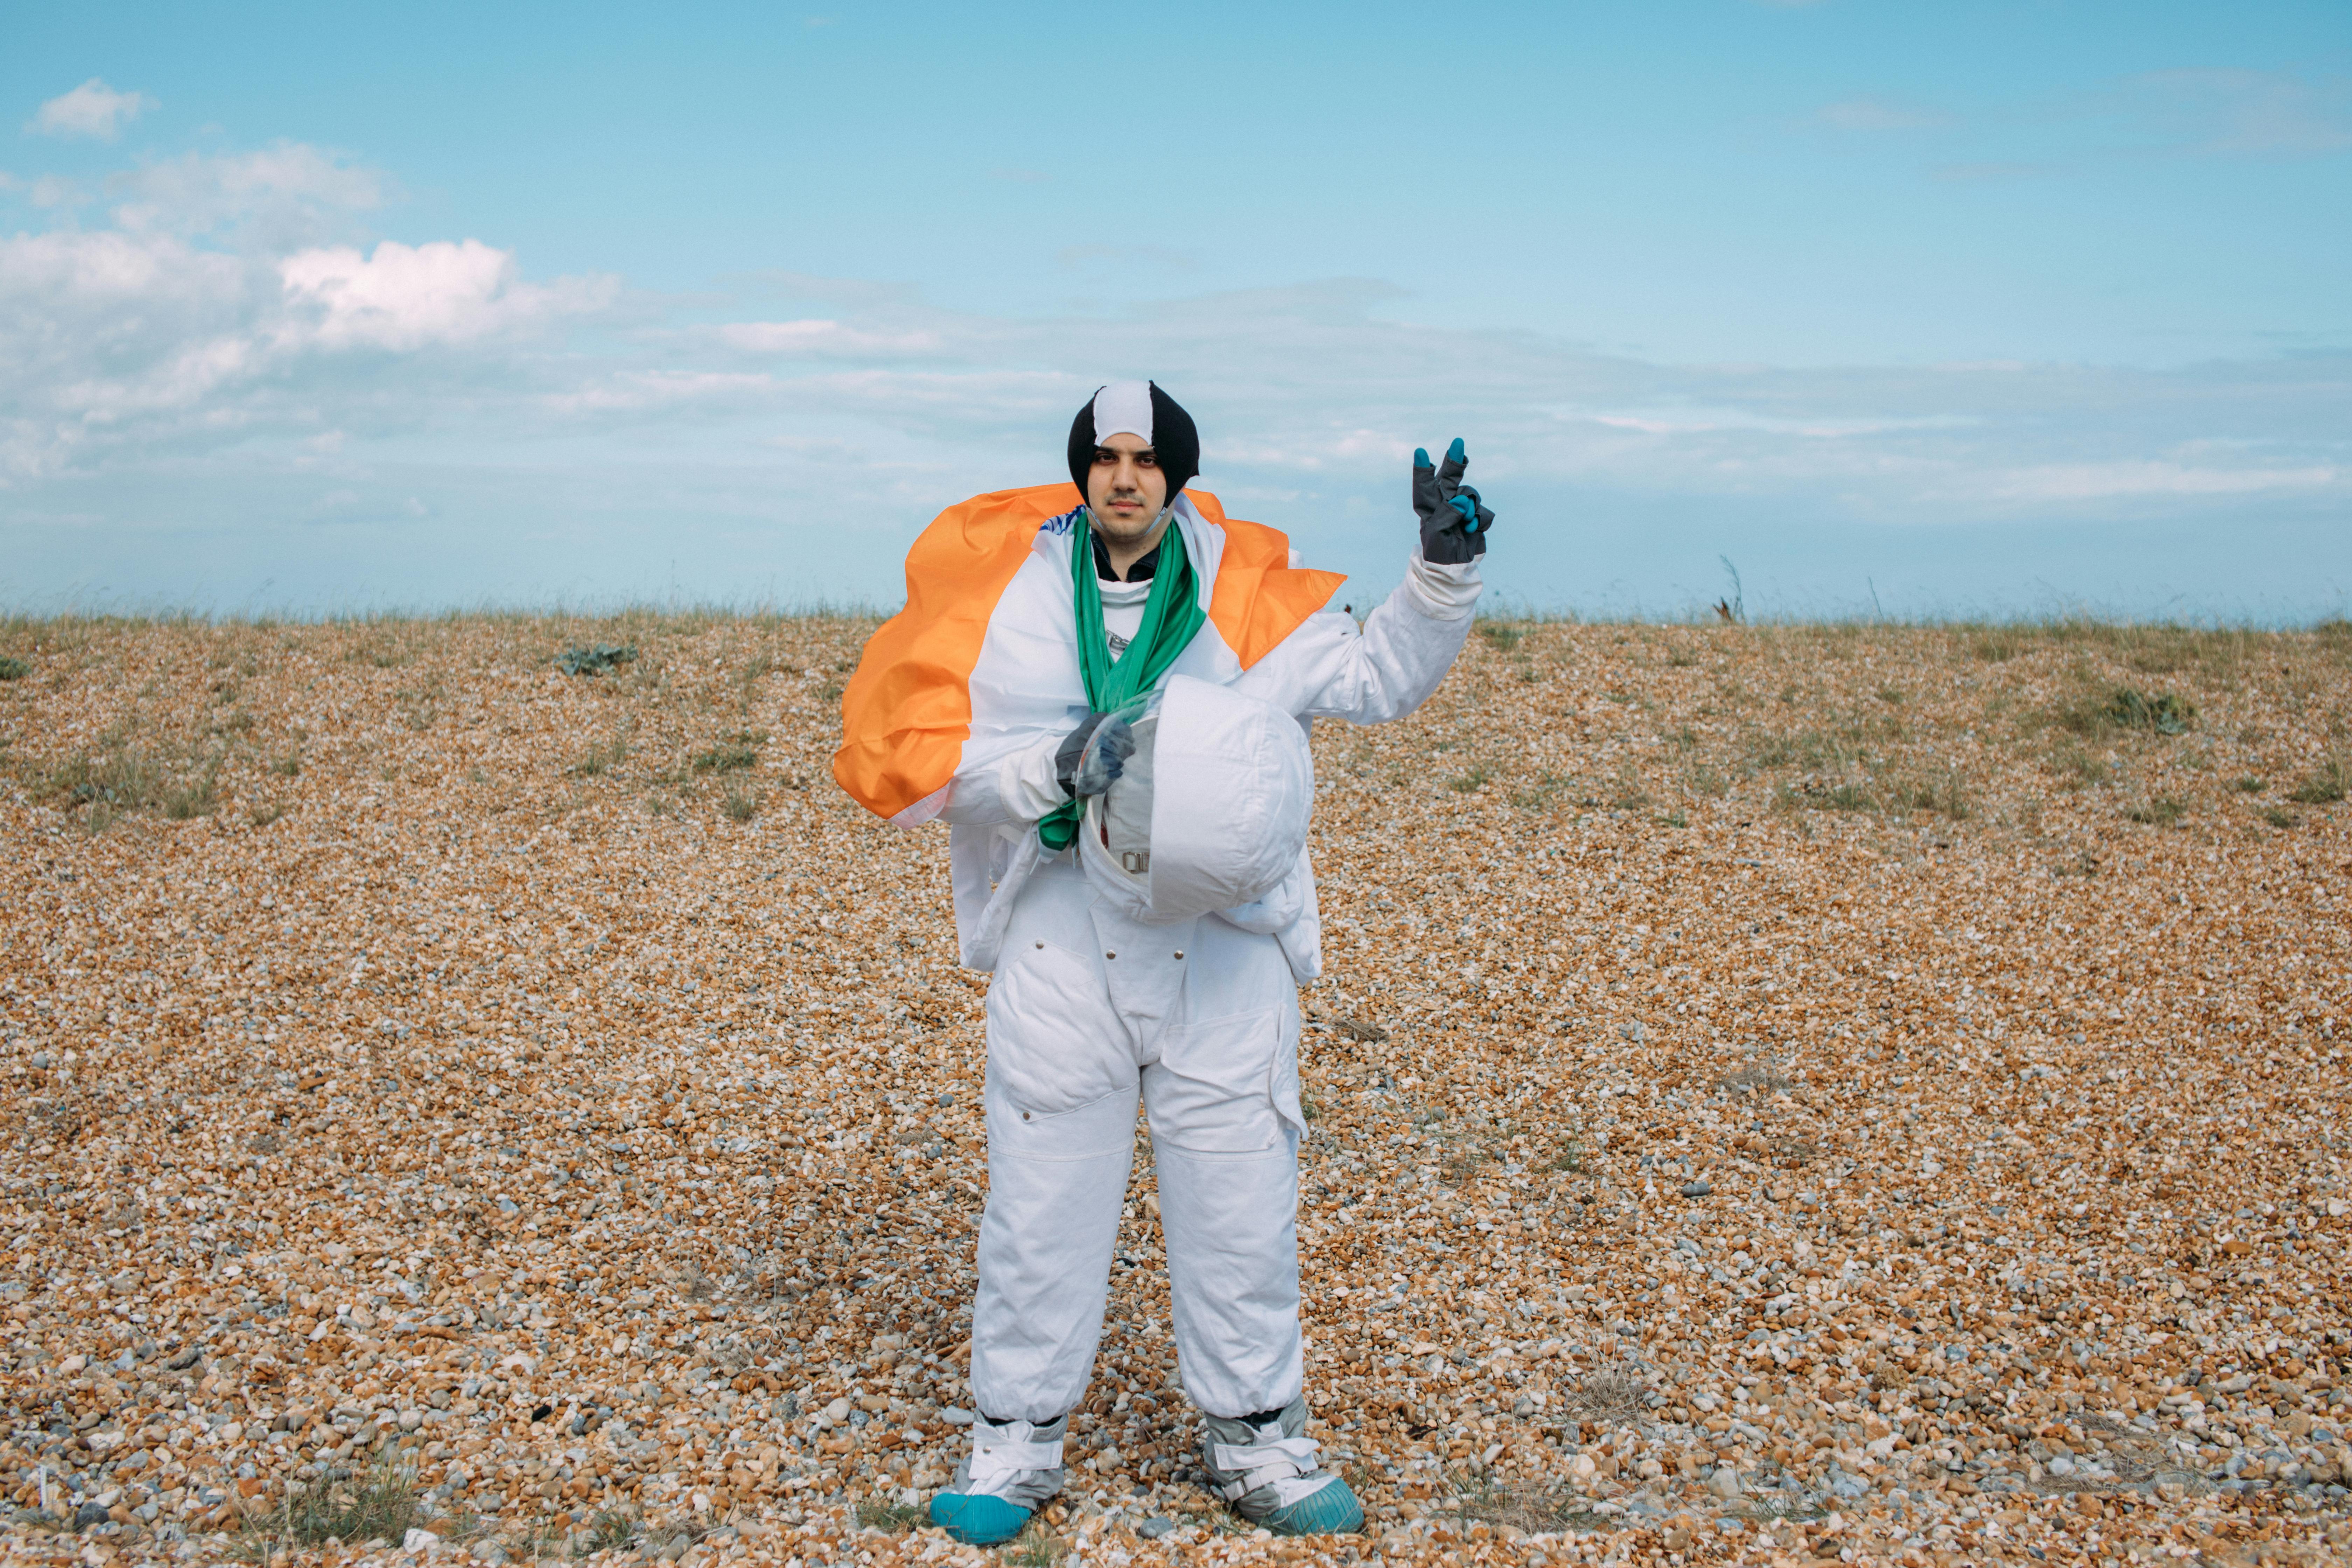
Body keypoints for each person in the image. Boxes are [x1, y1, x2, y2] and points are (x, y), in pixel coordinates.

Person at [833, 381, 1493, 1544]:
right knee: (1040, 1205)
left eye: (1146, 459)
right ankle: (1015, 1447)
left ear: (1177, 475)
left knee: (1241, 1199)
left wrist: (1439, 573)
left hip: (1222, 950)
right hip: (1063, 936)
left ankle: (1261, 1444)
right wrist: (1057, 762)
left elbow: (1381, 679)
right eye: (1105, 458)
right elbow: (924, 770)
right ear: (1082, 474)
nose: (1124, 477)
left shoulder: (1247, 595)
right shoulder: (1009, 603)